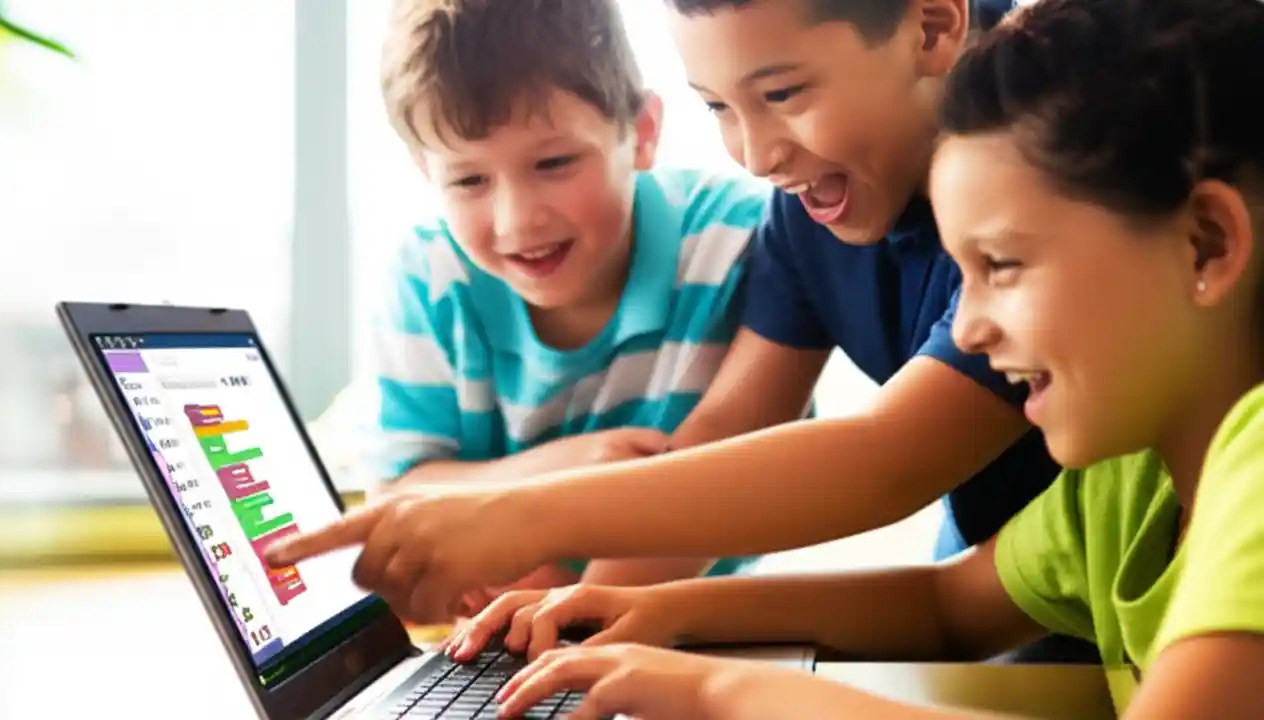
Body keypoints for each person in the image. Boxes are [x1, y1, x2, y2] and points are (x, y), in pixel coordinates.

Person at [434, 0, 1264, 717]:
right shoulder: (1117, 485)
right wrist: (650, 612)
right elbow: (945, 606)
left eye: (1001, 267)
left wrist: (726, 692)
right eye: (718, 106)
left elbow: (882, 460)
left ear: (1206, 243)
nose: (966, 330)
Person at [271, 0, 1081, 658]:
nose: (755, 154)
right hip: (1010, 583)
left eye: (784, 93)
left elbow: (886, 458)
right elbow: (722, 438)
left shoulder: (1043, 169)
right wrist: (578, 619)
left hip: (1088, 580)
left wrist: (522, 512)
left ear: (934, 25)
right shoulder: (801, 219)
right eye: (719, 106)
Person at [362, 0, 769, 605]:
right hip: (502, 637)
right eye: (469, 180)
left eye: (554, 163)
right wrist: (575, 465)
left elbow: (741, 484)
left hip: (694, 625)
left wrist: (566, 589)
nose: (518, 222)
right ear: (426, 172)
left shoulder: (737, 241)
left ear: (644, 134)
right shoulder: (429, 277)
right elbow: (396, 498)